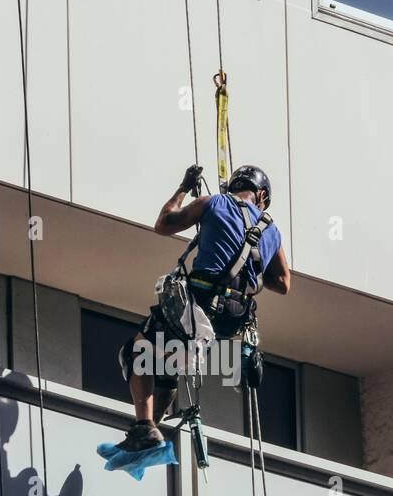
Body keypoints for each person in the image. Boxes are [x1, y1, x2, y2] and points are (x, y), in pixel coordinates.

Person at [115, 164, 291, 453]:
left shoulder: (213, 203)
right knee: (167, 361)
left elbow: (164, 224)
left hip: (198, 305)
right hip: (231, 320)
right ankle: (150, 431)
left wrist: (183, 188)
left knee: (136, 352)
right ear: (261, 194)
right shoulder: (271, 230)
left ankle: (144, 429)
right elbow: (283, 282)